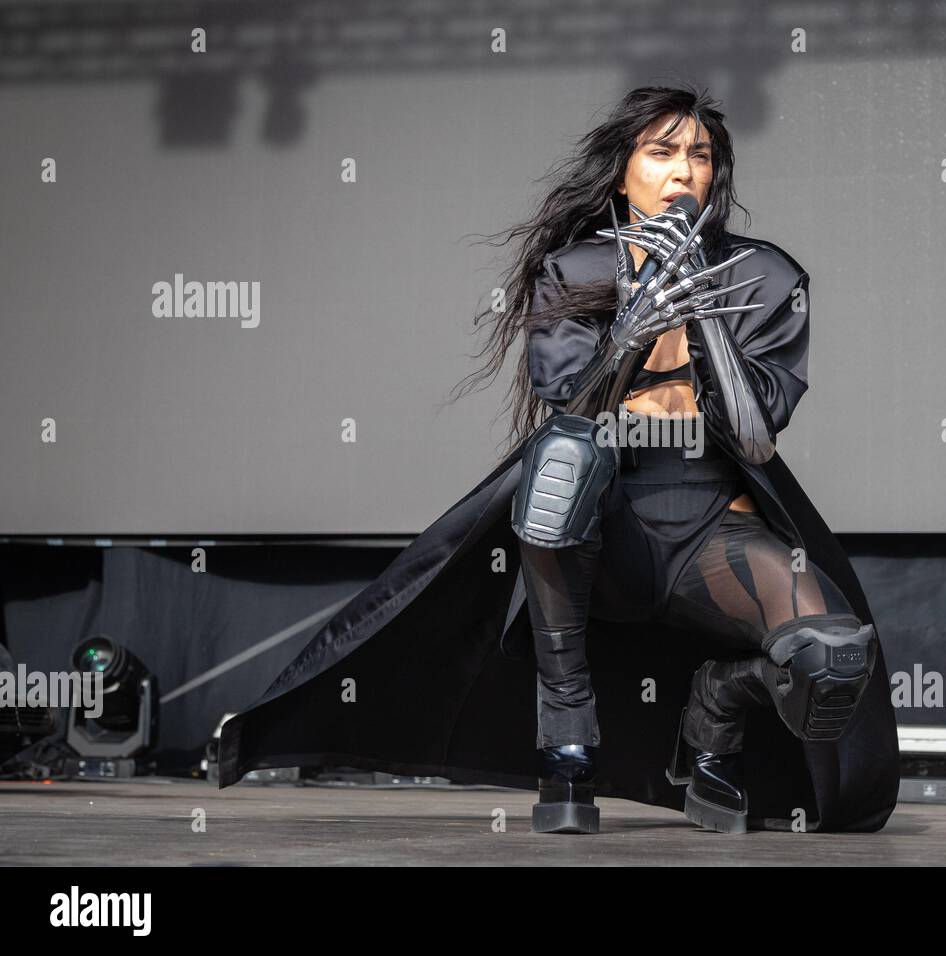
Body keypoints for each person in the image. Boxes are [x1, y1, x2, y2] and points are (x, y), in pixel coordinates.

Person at [218, 86, 900, 836]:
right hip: (601, 520)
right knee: (560, 466)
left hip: (714, 530)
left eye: (700, 155)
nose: (683, 170)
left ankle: (716, 704)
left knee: (831, 658)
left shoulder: (764, 277)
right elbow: (571, 410)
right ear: (624, 172)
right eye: (662, 151)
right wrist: (632, 332)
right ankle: (567, 743)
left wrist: (701, 309)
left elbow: (756, 436)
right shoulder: (574, 271)